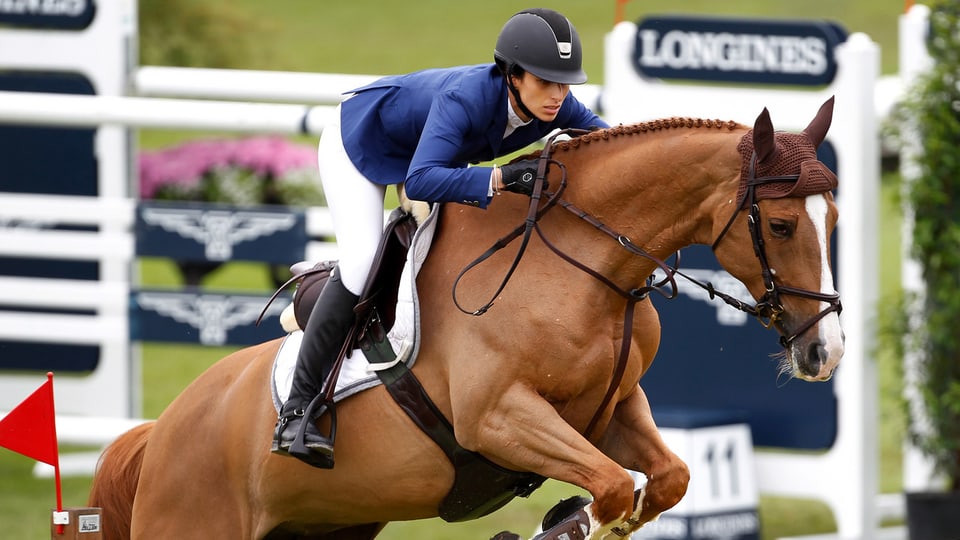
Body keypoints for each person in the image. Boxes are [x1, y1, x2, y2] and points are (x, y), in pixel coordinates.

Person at [272, 7, 609, 468]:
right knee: (361, 261)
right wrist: (501, 178)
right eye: (545, 82)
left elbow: (611, 145)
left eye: (565, 84)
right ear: (512, 75)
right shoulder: (466, 99)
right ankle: (296, 411)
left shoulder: (556, 106)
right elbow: (423, 179)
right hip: (361, 140)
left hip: (425, 152)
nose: (557, 96)